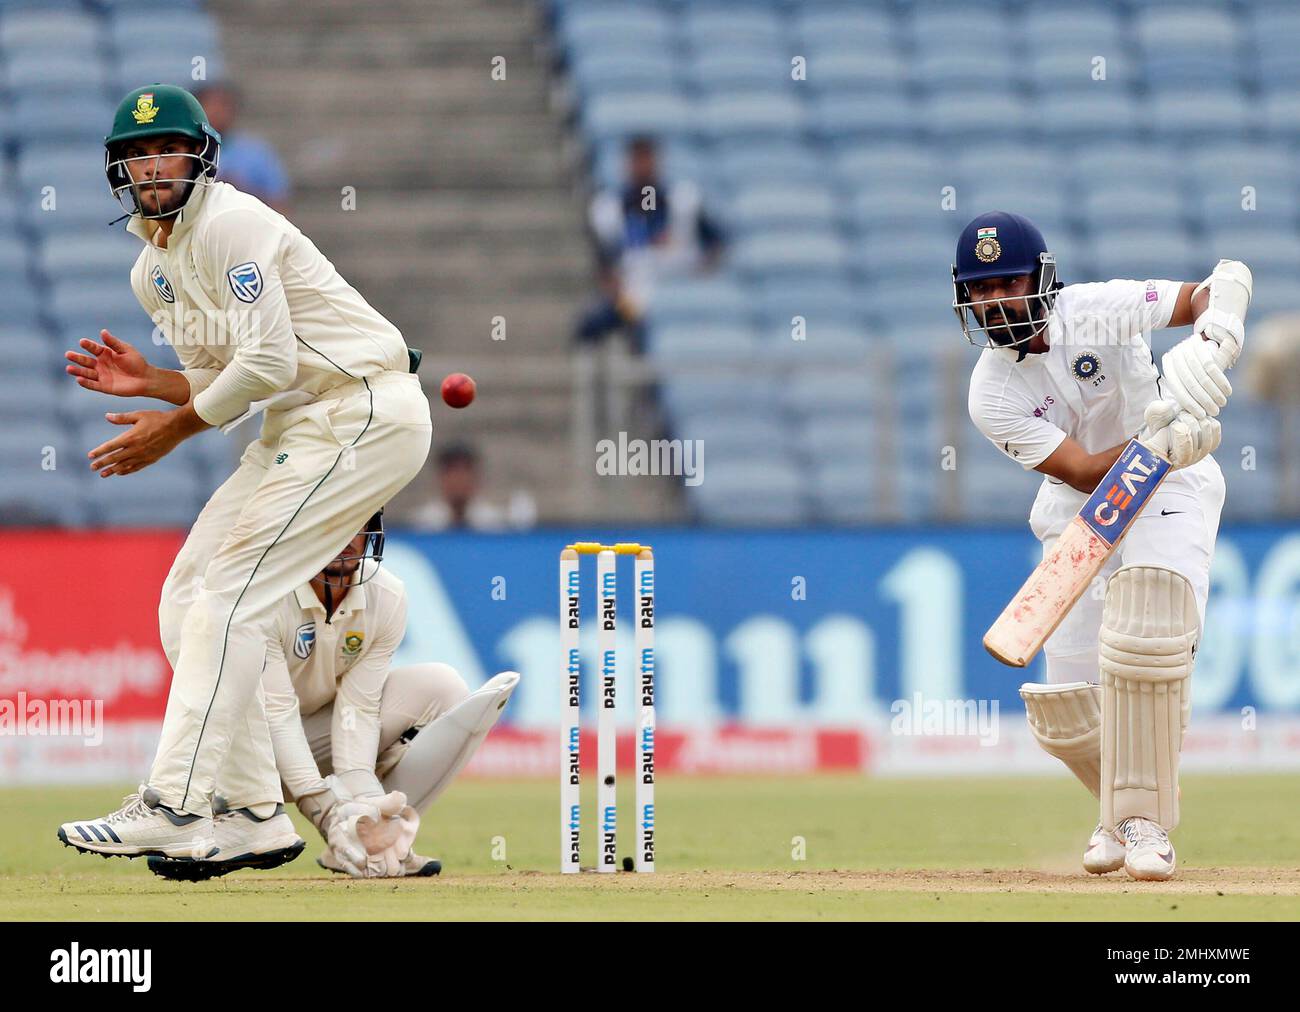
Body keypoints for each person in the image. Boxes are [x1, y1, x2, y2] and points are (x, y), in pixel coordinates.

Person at [57, 84, 432, 863]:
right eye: (136, 153)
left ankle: (174, 801)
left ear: (201, 157)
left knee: (230, 592)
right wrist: (158, 384)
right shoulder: (150, 274)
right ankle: (256, 810)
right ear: (117, 169)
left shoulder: (232, 225)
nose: (152, 164)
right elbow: (224, 374)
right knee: (187, 598)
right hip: (300, 423)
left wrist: (173, 431)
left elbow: (266, 362)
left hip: (362, 409)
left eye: (167, 148)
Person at [954, 210, 1251, 881]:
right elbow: (1087, 473)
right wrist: (1160, 437)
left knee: (1147, 635)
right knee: (1068, 711)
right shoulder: (990, 391)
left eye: (1004, 282)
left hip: (1173, 484)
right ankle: (1116, 813)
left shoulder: (1092, 310)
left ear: (1041, 277)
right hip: (1086, 501)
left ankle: (1143, 825)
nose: (991, 300)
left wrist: (1214, 335)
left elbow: (1206, 291)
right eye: (978, 289)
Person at [145, 513, 520, 880]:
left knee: (444, 687)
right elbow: (277, 713)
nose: (345, 540)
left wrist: (366, 807)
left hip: (313, 740)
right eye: (333, 525)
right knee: (262, 736)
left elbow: (357, 712)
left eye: (356, 526)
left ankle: (374, 842)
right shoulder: (266, 596)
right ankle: (221, 818)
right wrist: (326, 814)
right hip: (245, 757)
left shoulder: (387, 598)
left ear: (372, 532)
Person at [575, 135, 724, 351]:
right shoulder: (610, 209)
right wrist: (614, 284)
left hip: (683, 284)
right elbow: (605, 263)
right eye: (637, 160)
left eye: (647, 159)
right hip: (637, 290)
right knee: (607, 317)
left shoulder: (683, 201)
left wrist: (700, 271)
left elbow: (716, 244)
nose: (642, 167)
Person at [194, 82, 290, 212]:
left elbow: (280, 204)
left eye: (223, 105)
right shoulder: (183, 151)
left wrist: (240, 191)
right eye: (210, 105)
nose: (217, 111)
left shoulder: (258, 152)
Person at [407, 443, 536, 531]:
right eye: (452, 472)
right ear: (441, 478)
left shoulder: (494, 525)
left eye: (465, 472)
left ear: (476, 477)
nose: (458, 480)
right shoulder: (422, 525)